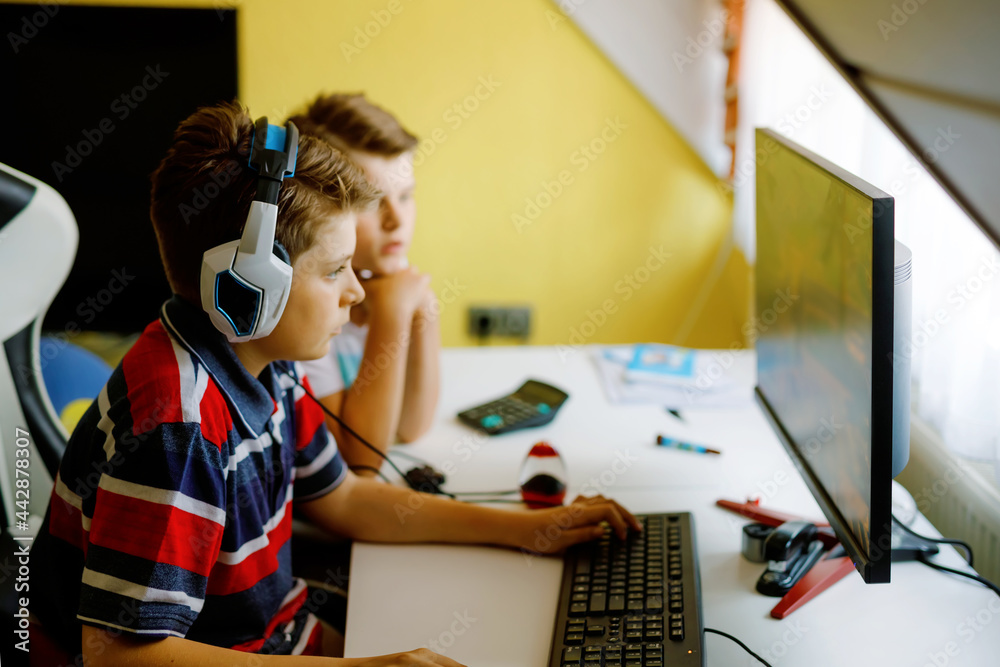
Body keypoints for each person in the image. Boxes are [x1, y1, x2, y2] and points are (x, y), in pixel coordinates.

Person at [30, 101, 639, 665]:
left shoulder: (266, 361)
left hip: (275, 629)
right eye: (334, 270)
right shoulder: (177, 428)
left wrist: (531, 529)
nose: (355, 290)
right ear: (249, 291)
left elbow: (344, 498)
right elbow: (120, 656)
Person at [291, 94, 436, 473]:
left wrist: (425, 313)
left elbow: (413, 426)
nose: (398, 220)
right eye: (374, 203)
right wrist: (394, 312)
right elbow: (361, 461)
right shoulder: (304, 306)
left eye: (406, 196)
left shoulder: (387, 271)